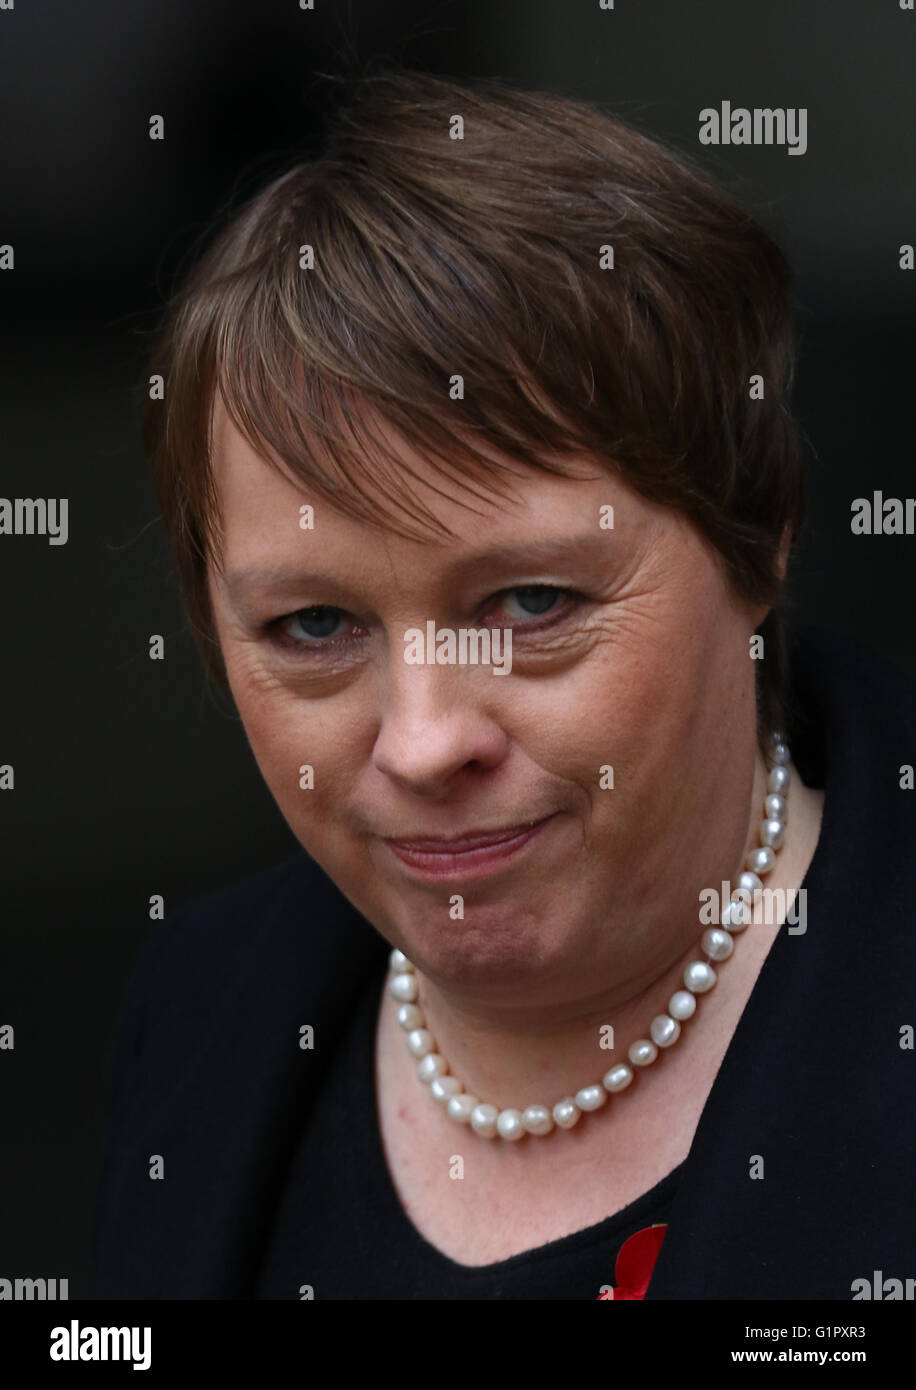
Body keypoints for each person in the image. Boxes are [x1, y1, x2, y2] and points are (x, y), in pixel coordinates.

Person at [89, 67, 915, 1300]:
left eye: (533, 604)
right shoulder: (201, 1007)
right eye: (314, 623)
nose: (425, 742)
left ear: (762, 540)